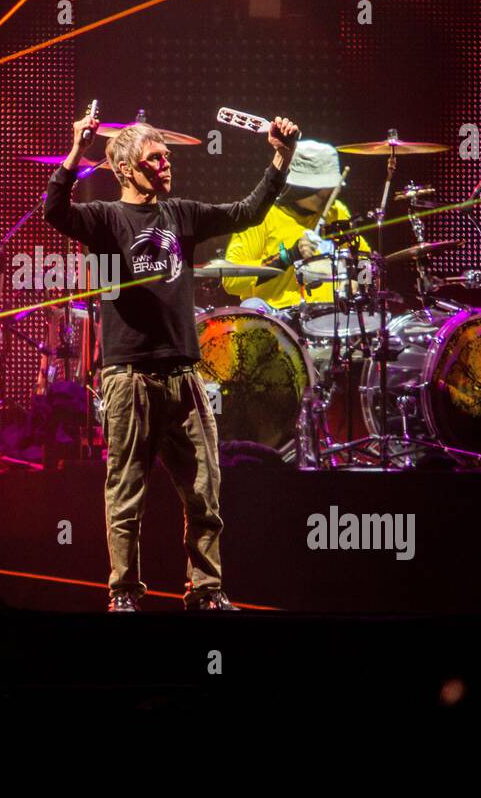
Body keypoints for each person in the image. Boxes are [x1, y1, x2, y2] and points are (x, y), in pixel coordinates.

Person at [44, 113, 299, 611]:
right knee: (126, 495)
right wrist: (77, 146)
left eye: (167, 157)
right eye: (154, 159)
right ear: (123, 168)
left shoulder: (180, 214)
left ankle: (207, 591)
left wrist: (280, 157)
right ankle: (123, 594)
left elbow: (246, 212)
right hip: (129, 378)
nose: (166, 165)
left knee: (205, 491)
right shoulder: (105, 219)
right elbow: (55, 209)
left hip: (183, 376)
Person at [221, 140, 369, 311]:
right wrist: (288, 256)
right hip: (278, 314)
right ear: (301, 188)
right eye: (324, 190)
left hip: (330, 313)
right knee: (251, 307)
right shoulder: (260, 217)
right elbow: (231, 282)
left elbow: (365, 258)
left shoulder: (336, 212)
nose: (330, 195)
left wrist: (361, 284)